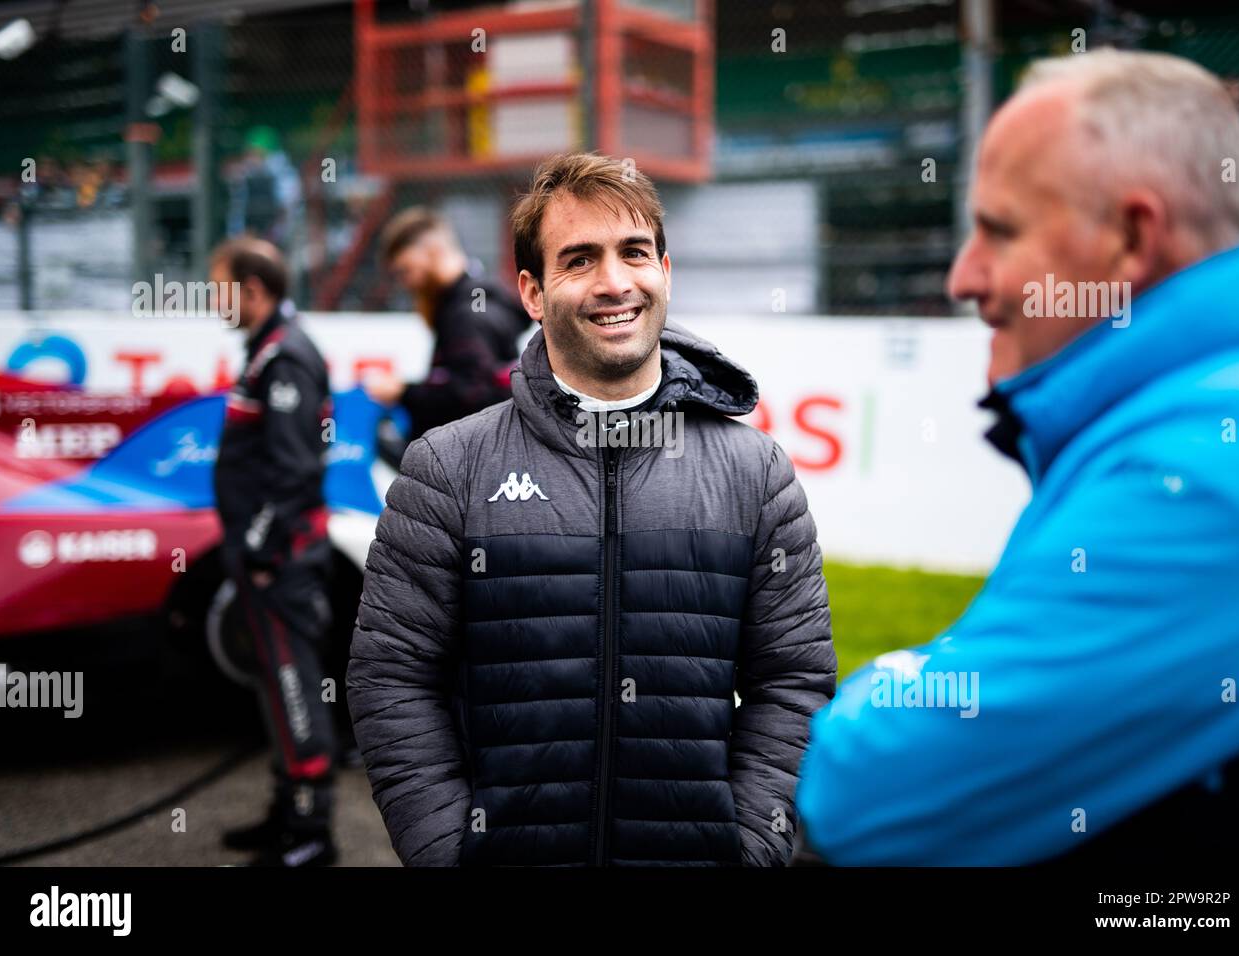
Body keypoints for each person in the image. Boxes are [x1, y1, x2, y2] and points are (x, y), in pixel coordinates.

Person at [796, 49, 1239, 865]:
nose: (963, 277)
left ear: (1131, 237)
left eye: (999, 230)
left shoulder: (1206, 475)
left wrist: (888, 689)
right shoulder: (1216, 417)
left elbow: (868, 791)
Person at [348, 152, 838, 866]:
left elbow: (793, 680)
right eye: (579, 259)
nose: (615, 283)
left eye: (633, 252)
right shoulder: (447, 469)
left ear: (664, 272)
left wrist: (750, 846)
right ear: (533, 293)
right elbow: (391, 676)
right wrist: (450, 852)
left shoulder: (756, 473)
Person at [210, 237, 338, 867]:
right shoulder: (267, 350)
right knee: (275, 686)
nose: (213, 299)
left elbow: (294, 471)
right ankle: (287, 809)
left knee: (294, 686)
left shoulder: (285, 356)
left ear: (252, 290)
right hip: (267, 558)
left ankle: (313, 833)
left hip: (282, 560)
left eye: (219, 286)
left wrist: (257, 548)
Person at [362, 208, 532, 447]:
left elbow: (472, 395)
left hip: (472, 464)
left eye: (405, 270)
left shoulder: (466, 314)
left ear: (434, 252)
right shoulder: (475, 299)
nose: (405, 283)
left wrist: (403, 392)